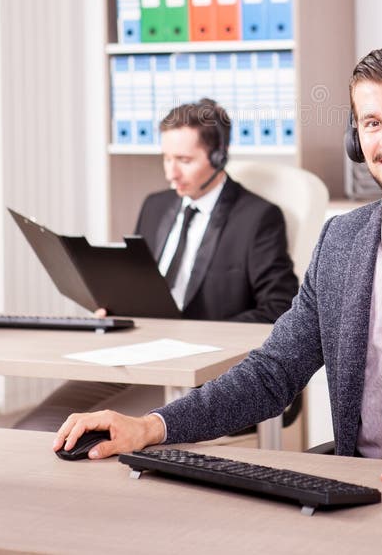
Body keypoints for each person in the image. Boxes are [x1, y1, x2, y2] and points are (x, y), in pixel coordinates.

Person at [53, 48, 382, 507]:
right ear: (355, 137)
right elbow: (272, 373)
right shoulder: (339, 243)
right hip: (360, 498)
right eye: (371, 123)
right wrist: (150, 426)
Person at [17, 98, 298, 429]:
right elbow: (140, 283)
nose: (170, 173)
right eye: (166, 158)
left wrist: (194, 338)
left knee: (94, 433)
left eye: (184, 160)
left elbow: (279, 308)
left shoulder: (257, 218)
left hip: (201, 376)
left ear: (219, 156)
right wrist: (112, 304)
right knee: (35, 427)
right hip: (134, 358)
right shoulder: (155, 206)